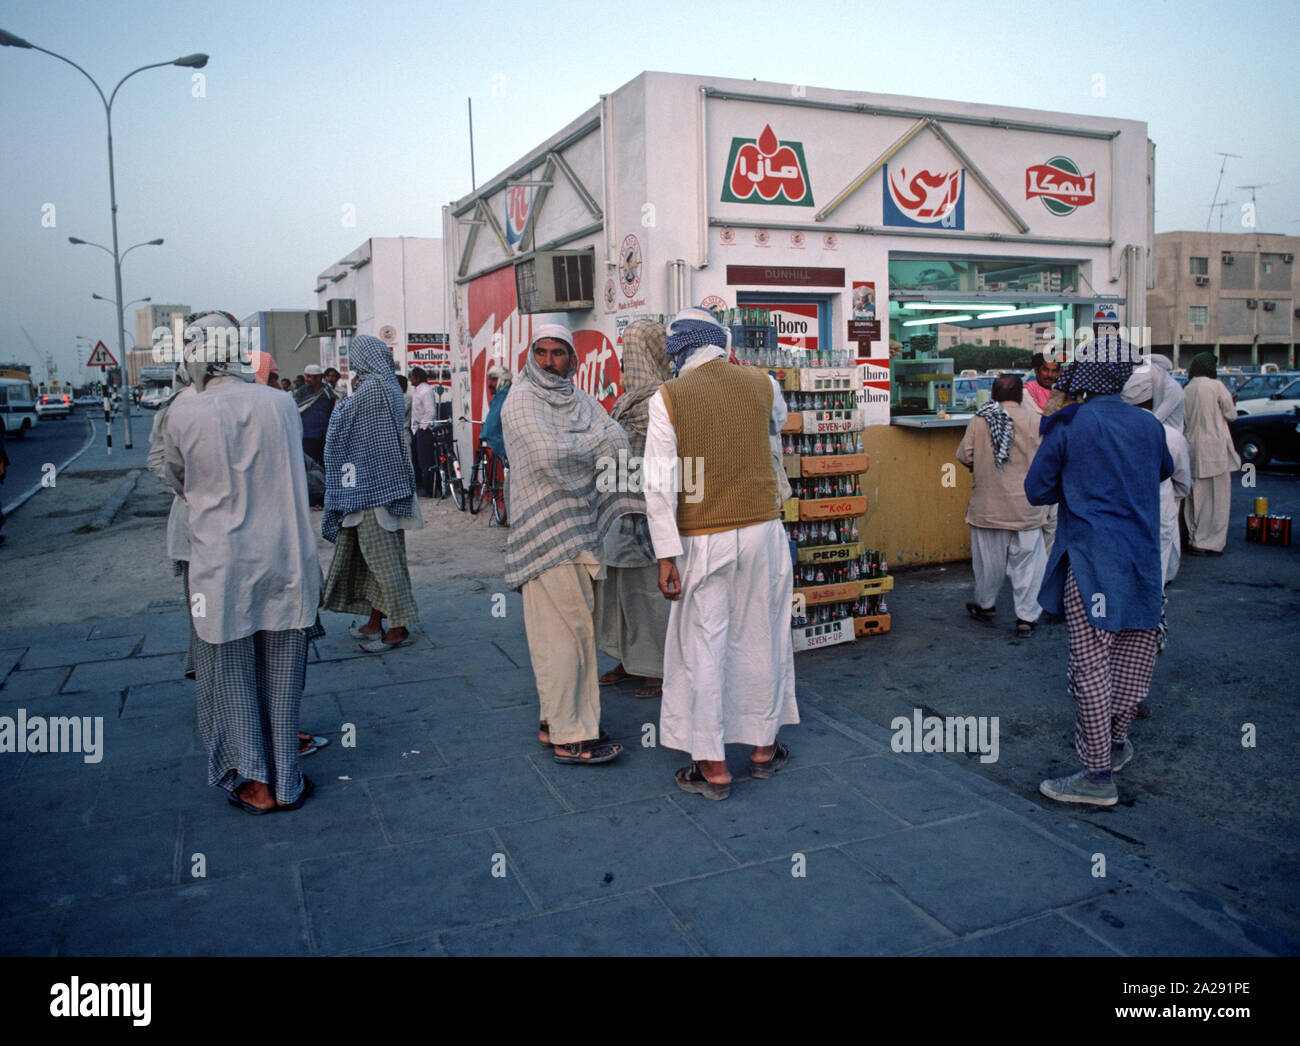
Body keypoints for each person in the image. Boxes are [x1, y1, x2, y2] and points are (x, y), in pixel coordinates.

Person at [162, 313, 323, 814]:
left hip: (222, 566)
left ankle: (256, 785)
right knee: (281, 675)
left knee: (231, 677)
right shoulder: (281, 404)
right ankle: (288, 780)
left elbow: (177, 478)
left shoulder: (184, 413)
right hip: (286, 557)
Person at [644, 307, 798, 800]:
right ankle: (761, 749)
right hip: (763, 532)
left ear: (678, 350)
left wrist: (666, 555)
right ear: (721, 342)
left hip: (702, 538)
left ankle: (713, 767)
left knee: (705, 647)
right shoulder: (763, 383)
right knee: (764, 635)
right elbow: (778, 424)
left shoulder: (668, 397)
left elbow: (659, 484)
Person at [1026, 352, 1174, 807]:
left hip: (1093, 562)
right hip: (1144, 562)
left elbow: (1036, 490)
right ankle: (1113, 743)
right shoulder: (1149, 425)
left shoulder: (1069, 424)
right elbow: (1163, 471)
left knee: (1091, 667)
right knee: (1133, 657)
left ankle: (1095, 777)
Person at [503, 323, 641, 765]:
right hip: (544, 535)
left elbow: (617, 440)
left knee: (565, 633)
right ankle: (572, 735)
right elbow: (547, 454)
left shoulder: (577, 399)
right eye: (541, 352)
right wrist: (593, 442)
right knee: (567, 636)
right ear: (531, 356)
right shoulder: (521, 399)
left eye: (558, 353)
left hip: (580, 528)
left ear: (571, 358)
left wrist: (586, 443)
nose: (548, 361)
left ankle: (554, 722)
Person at [320, 336, 422, 652]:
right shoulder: (384, 385)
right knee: (368, 560)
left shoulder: (375, 389)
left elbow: (341, 418)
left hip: (372, 491)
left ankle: (399, 627)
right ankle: (375, 622)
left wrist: (339, 407)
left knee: (384, 562)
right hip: (373, 486)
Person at [595, 319, 672, 698]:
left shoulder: (665, 400)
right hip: (619, 512)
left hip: (650, 514)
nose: (625, 365)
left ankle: (658, 667)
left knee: (649, 594)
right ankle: (629, 660)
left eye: (631, 355)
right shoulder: (629, 400)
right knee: (621, 591)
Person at [956, 374, 1048, 637]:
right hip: (1027, 507)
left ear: (993, 395)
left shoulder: (981, 419)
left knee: (988, 564)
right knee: (1028, 566)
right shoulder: (1037, 421)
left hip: (988, 507)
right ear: (1020, 395)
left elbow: (964, 455)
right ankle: (1026, 617)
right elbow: (1047, 460)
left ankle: (986, 605)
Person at [1123, 367, 1191, 587]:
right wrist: (1171, 497)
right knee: (1155, 576)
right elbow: (1182, 482)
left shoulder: (1112, 432)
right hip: (1160, 508)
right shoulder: (1171, 436)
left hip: (1122, 513)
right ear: (1156, 397)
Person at [1182, 352, 1239, 556]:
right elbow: (1231, 415)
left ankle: (1195, 539)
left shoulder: (1187, 388)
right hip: (1214, 449)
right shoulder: (1216, 386)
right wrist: (1231, 403)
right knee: (1217, 498)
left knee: (1195, 497)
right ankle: (1211, 542)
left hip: (1192, 448)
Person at [294, 364, 336, 469]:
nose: (307, 379)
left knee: (325, 465)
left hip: (325, 436)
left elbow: (332, 410)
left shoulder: (328, 392)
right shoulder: (301, 392)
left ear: (319, 377)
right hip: (307, 436)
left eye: (310, 377)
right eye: (306, 376)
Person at [408, 366, 437, 498]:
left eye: (412, 376)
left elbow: (430, 411)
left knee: (426, 461)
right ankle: (424, 486)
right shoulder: (417, 390)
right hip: (417, 430)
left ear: (418, 377)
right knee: (419, 460)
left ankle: (429, 489)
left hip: (424, 430)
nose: (410, 379)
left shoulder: (426, 390)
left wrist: (422, 427)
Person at [480, 364, 511, 463]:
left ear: (502, 380)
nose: (490, 383)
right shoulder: (511, 393)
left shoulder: (501, 398)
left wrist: (504, 452)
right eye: (489, 379)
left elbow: (490, 429)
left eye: (493, 379)